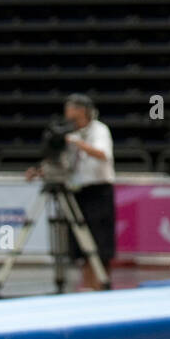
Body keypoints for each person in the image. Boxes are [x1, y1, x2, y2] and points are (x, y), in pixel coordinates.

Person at [25, 93, 115, 290]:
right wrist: (40, 171)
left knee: (100, 244)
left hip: (98, 191)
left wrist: (76, 142)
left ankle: (103, 287)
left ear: (82, 111)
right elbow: (64, 164)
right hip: (77, 191)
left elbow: (103, 154)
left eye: (71, 112)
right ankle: (87, 287)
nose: (68, 116)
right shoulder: (69, 133)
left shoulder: (99, 130)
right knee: (81, 247)